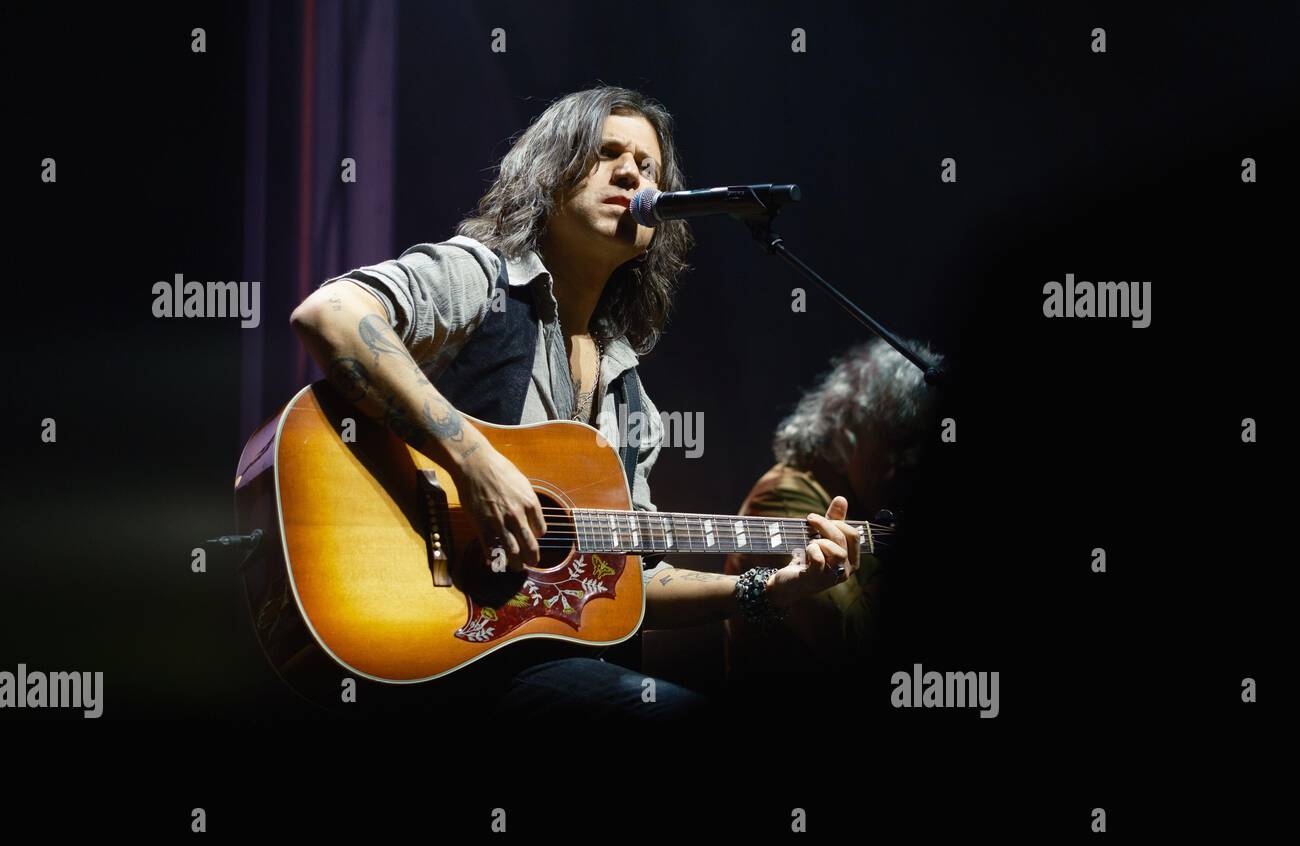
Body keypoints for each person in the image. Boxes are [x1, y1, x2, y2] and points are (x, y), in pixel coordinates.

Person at [289, 86, 861, 721]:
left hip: (534, 661)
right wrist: (475, 463)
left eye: (648, 167)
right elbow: (330, 314)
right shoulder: (479, 277)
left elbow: (625, 574)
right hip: (424, 633)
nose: (631, 173)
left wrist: (771, 589)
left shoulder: (632, 396)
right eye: (606, 153)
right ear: (549, 173)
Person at [722, 338, 943, 701]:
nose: (910, 461)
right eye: (900, 442)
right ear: (846, 432)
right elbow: (854, 643)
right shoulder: (785, 497)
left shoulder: (869, 500)